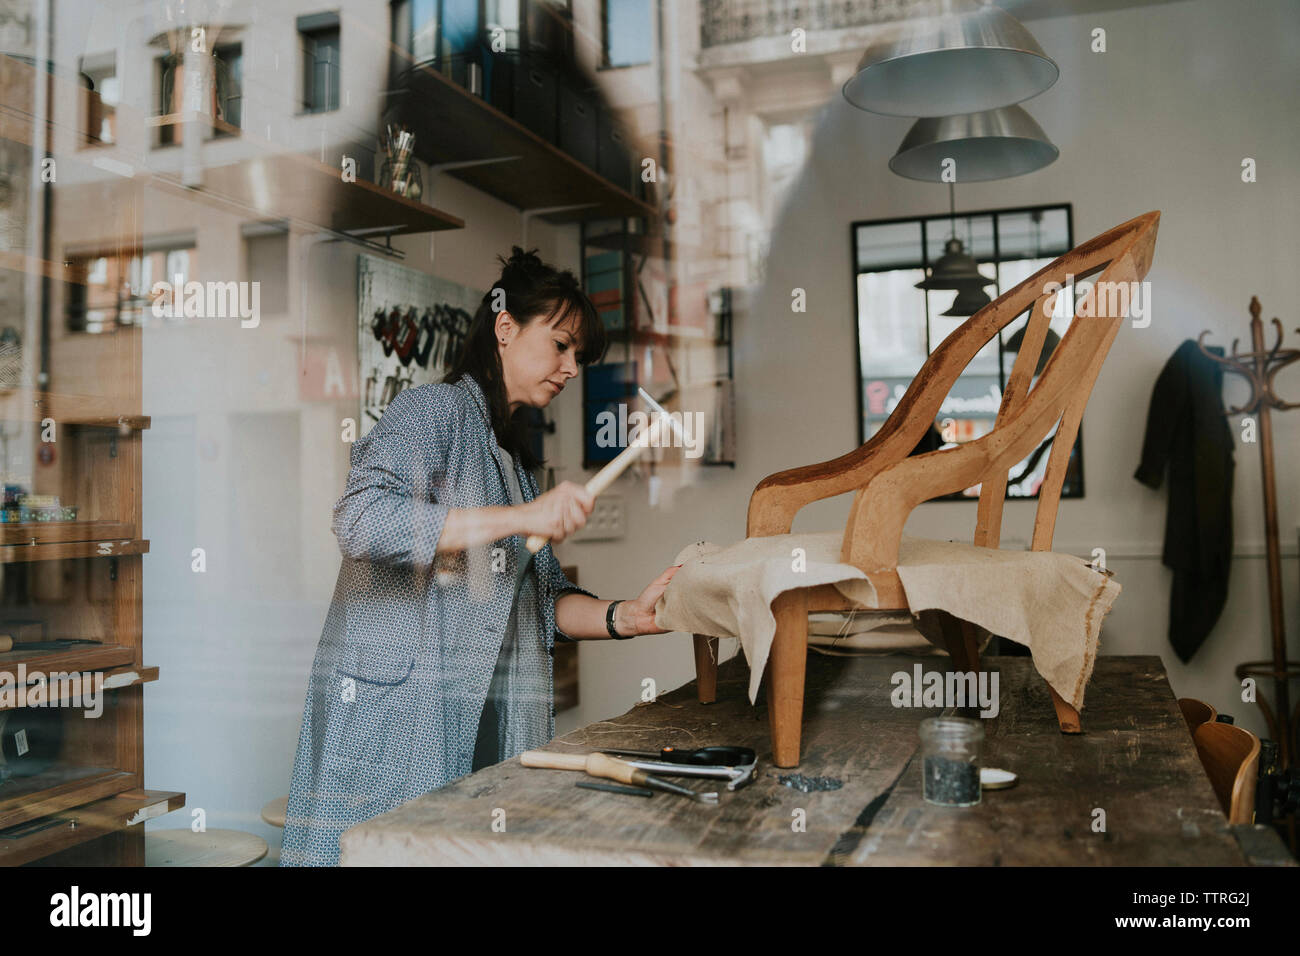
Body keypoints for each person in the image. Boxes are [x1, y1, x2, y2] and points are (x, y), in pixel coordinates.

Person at [281, 247, 680, 866]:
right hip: (398, 718)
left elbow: (544, 601)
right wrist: (522, 519)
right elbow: (359, 519)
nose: (571, 367)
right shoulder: (431, 412)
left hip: (483, 719)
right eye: (562, 345)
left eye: (579, 355)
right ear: (505, 327)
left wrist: (629, 616)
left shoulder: (514, 462)